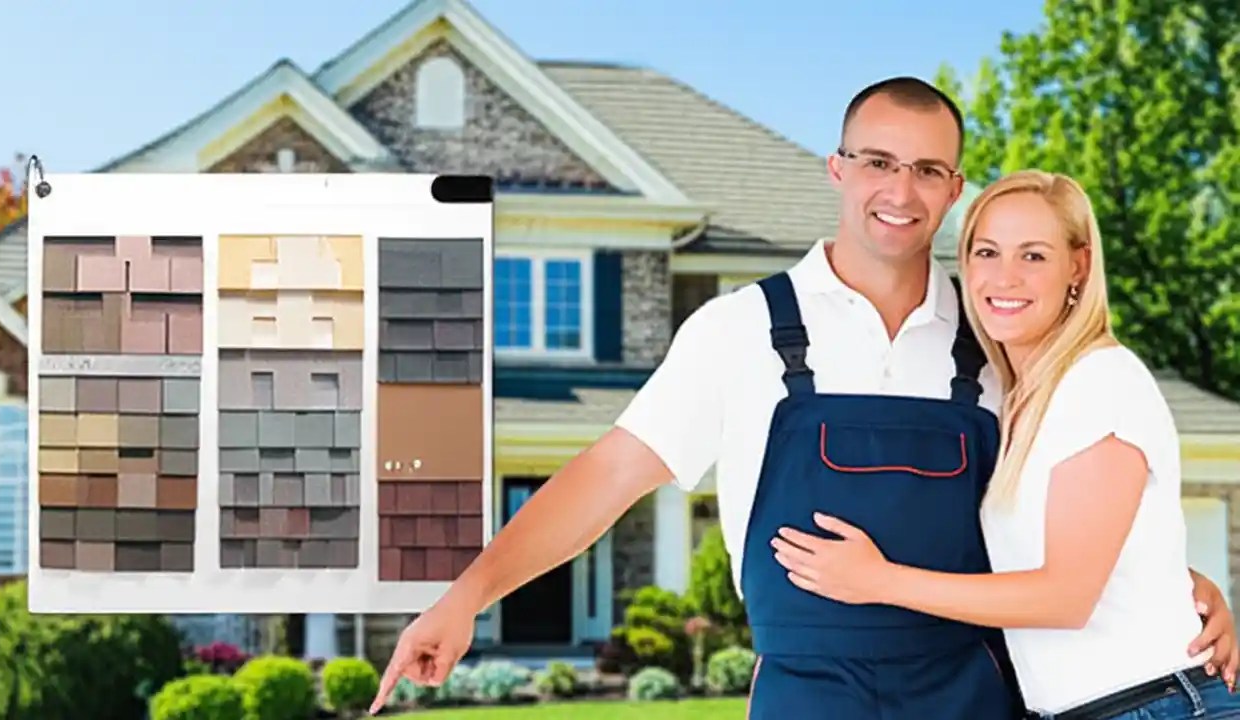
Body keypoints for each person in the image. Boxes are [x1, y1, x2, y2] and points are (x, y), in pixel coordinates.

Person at [368, 77, 1238, 718]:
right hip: (808, 693)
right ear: (837, 169)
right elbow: (605, 478)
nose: (900, 191)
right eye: (878, 162)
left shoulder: (999, 339)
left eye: (928, 170)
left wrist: (1176, 587)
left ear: (953, 190)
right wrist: (466, 595)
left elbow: (1071, 515)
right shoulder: (737, 330)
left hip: (972, 692)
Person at [769, 168, 1240, 719]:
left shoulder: (1100, 380)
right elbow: (1098, 553)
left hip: (1155, 706)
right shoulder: (1012, 400)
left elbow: (1065, 597)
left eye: (1033, 256)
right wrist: (1190, 584)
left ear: (1078, 266)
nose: (1005, 277)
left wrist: (879, 581)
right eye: (987, 252)